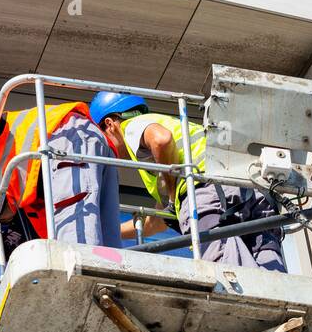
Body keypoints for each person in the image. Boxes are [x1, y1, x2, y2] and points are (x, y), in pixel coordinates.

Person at [89, 91, 287, 271]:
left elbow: (161, 140)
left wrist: (174, 190)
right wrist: (109, 231)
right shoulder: (174, 138)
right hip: (250, 192)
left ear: (110, 124)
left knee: (229, 274)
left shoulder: (130, 126)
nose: (108, 150)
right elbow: (156, 223)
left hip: (208, 195)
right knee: (269, 270)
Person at [0, 91, 122, 249]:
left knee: (75, 236)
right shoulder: (31, 212)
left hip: (63, 135)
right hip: (96, 146)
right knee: (108, 238)